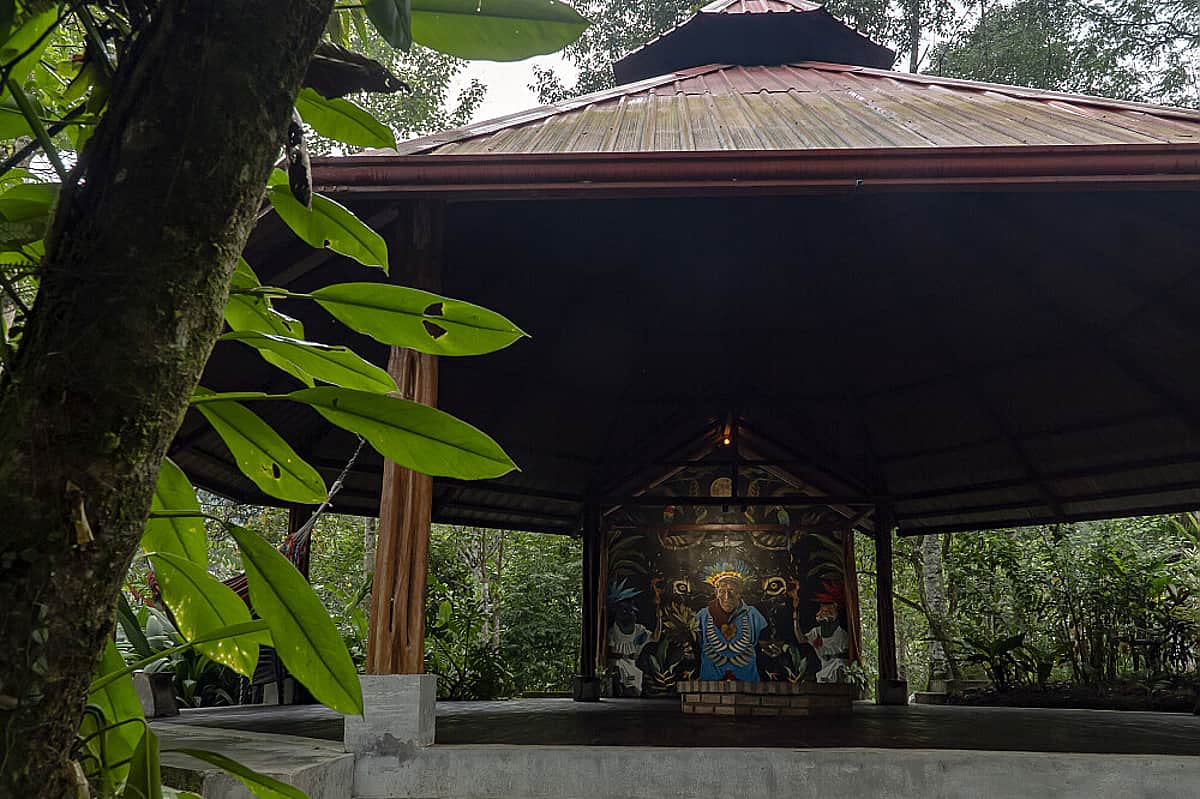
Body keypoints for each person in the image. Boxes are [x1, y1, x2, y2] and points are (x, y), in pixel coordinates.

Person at [695, 561, 768, 681]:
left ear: (739, 593)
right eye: (722, 591)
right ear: (716, 593)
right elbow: (696, 644)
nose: (727, 597)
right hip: (710, 681)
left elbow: (764, 643)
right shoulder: (702, 616)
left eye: (732, 590)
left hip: (748, 682)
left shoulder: (753, 615)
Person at [606, 579, 660, 695]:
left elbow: (655, 638)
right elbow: (610, 652)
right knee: (617, 669)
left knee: (634, 684)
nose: (628, 613)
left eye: (631, 611)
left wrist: (659, 619)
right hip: (617, 664)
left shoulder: (639, 630)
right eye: (624, 610)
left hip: (632, 666)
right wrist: (624, 656)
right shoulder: (613, 631)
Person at [805, 581, 850, 683]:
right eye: (823, 611)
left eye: (827, 611)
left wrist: (833, 656)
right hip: (824, 669)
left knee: (839, 666)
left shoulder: (842, 634)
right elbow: (801, 639)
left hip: (838, 667)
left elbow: (846, 654)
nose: (823, 614)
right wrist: (795, 616)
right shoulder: (816, 632)